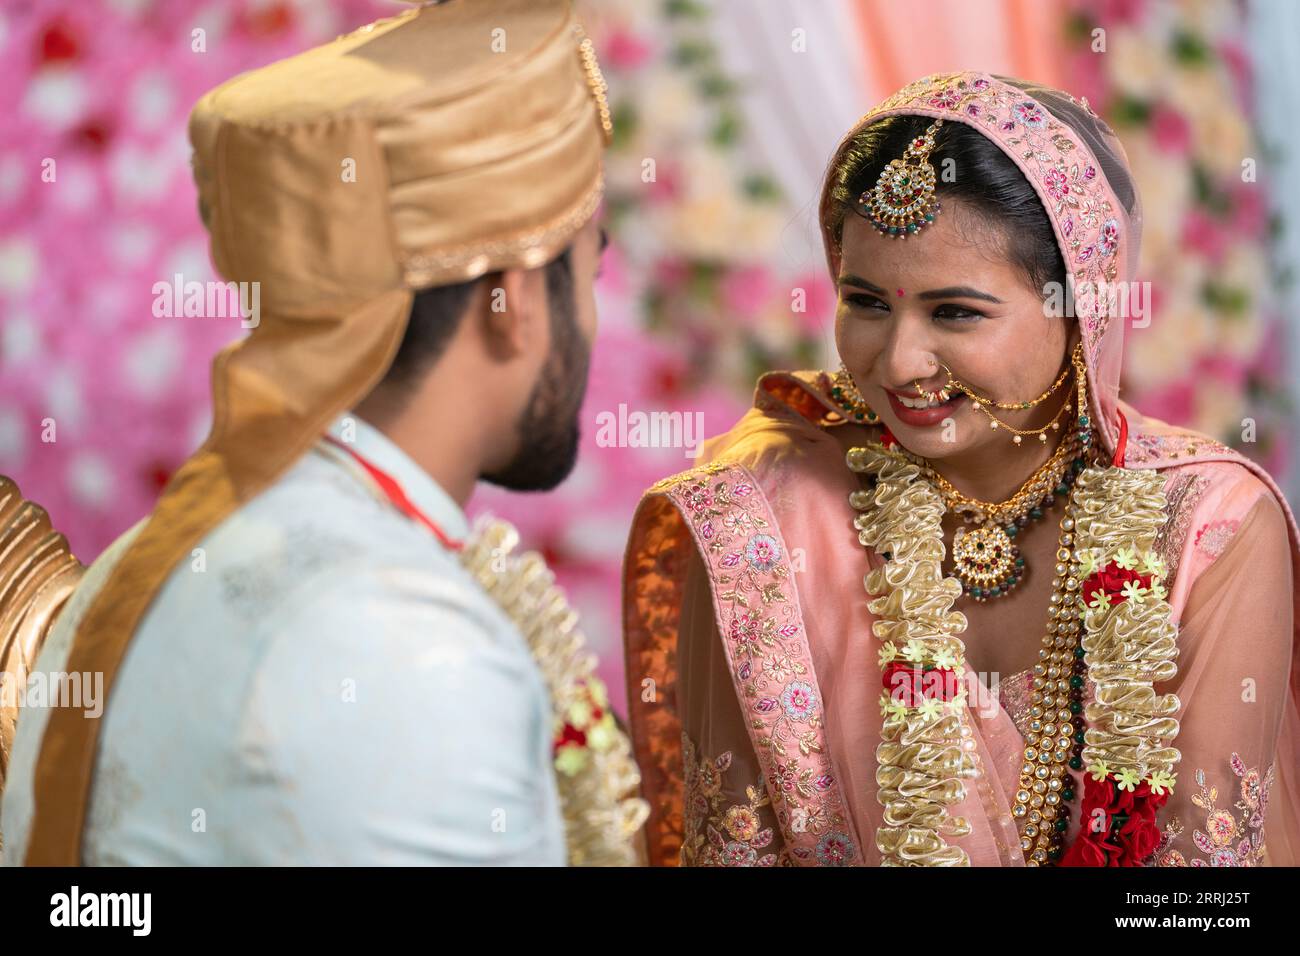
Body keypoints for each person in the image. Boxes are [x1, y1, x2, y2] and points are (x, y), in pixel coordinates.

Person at [2, 0, 645, 866]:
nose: (594, 318)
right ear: (517, 299)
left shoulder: (140, 563)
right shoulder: (414, 650)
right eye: (587, 268)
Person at [622, 72, 1300, 867]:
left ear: (1080, 306)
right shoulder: (762, 519)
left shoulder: (1207, 525)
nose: (901, 361)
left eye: (955, 312)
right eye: (867, 301)